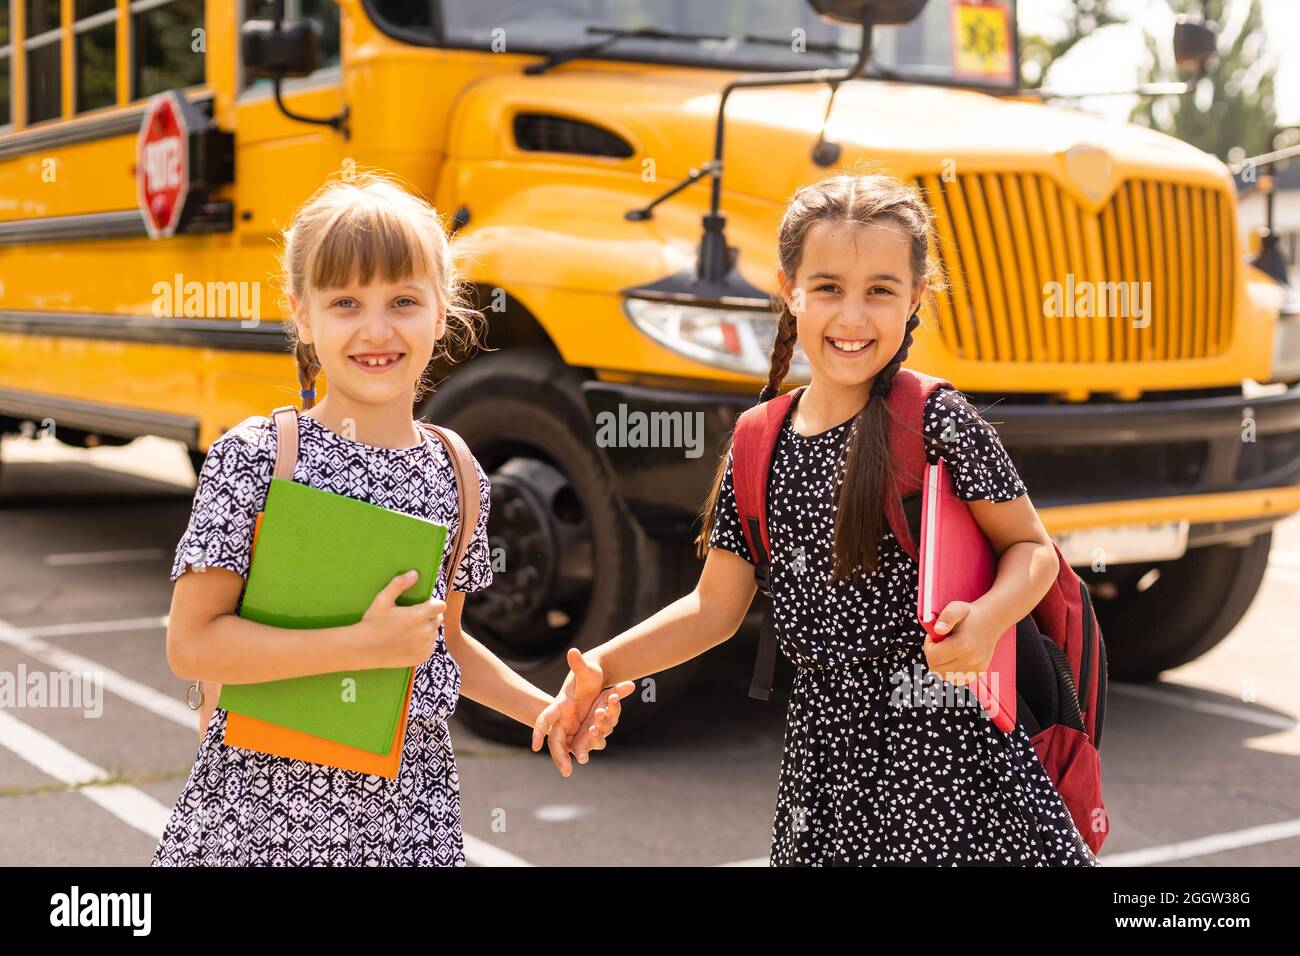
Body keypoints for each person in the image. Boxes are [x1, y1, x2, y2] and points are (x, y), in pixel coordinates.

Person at [534, 172, 1102, 867]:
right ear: (789, 288)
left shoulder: (937, 422)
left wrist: (985, 620)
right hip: (826, 773)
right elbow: (713, 609)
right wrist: (598, 665)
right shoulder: (756, 440)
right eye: (829, 287)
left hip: (957, 767)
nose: (853, 318)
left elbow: (1033, 552)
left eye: (881, 291)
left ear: (917, 295)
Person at [154, 170, 631, 867]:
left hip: (405, 822)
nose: (376, 329)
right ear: (303, 315)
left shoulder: (458, 471)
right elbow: (191, 646)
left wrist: (546, 711)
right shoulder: (258, 458)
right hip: (255, 821)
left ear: (442, 313)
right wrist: (360, 646)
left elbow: (443, 644)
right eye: (345, 302)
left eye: (403, 300)